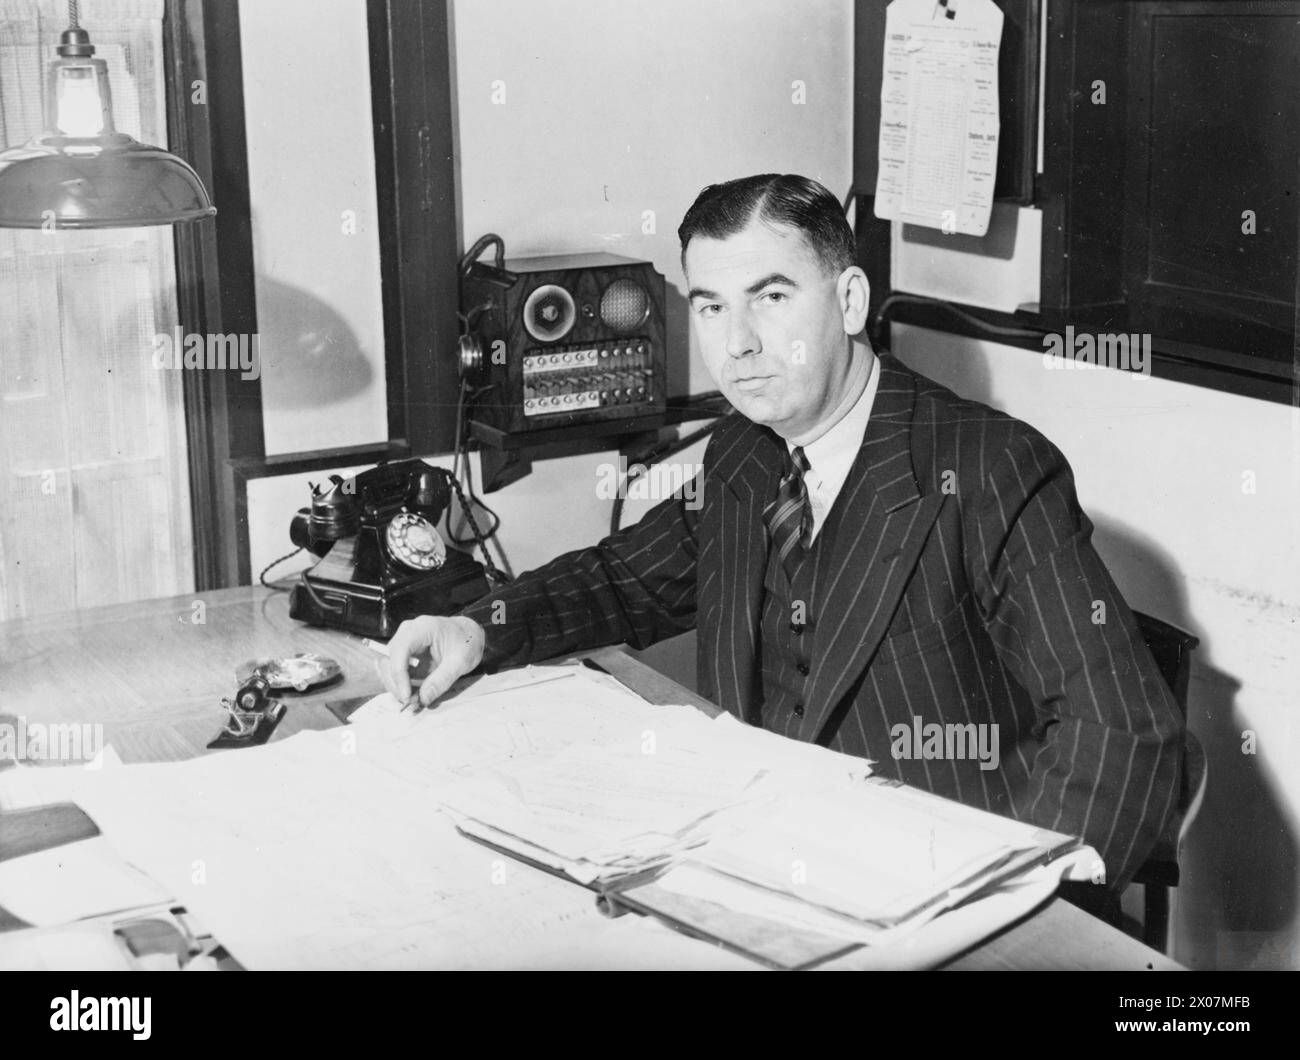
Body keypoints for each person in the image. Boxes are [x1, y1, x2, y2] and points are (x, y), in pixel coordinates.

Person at [379, 174, 1183, 893]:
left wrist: (1020, 908)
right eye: (711, 307)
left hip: (927, 884)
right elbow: (622, 580)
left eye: (770, 297)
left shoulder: (989, 467)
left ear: (850, 302)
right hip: (757, 863)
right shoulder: (745, 450)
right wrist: (474, 626)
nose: (738, 345)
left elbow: (1119, 726)